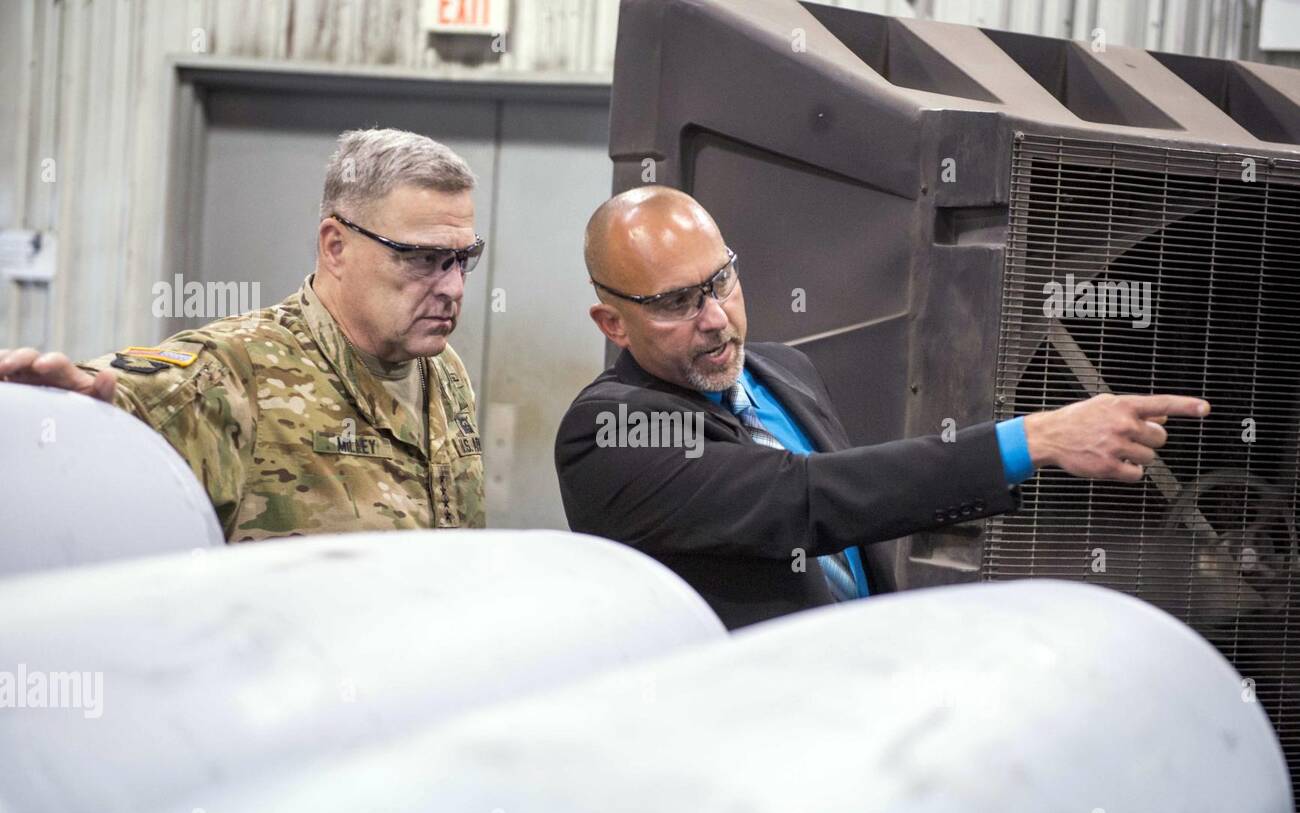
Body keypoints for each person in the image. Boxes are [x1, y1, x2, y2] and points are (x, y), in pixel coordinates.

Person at [555, 186, 1210, 629]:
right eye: (677, 303)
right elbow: (807, 499)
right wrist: (1028, 440)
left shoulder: (785, 371)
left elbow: (854, 537)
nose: (716, 317)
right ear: (612, 323)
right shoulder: (610, 434)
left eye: (721, 279)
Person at [0, 128, 486, 540]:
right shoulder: (238, 370)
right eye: (423, 258)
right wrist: (60, 411)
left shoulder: (443, 370)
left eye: (463, 259)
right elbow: (132, 395)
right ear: (336, 247)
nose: (453, 287)